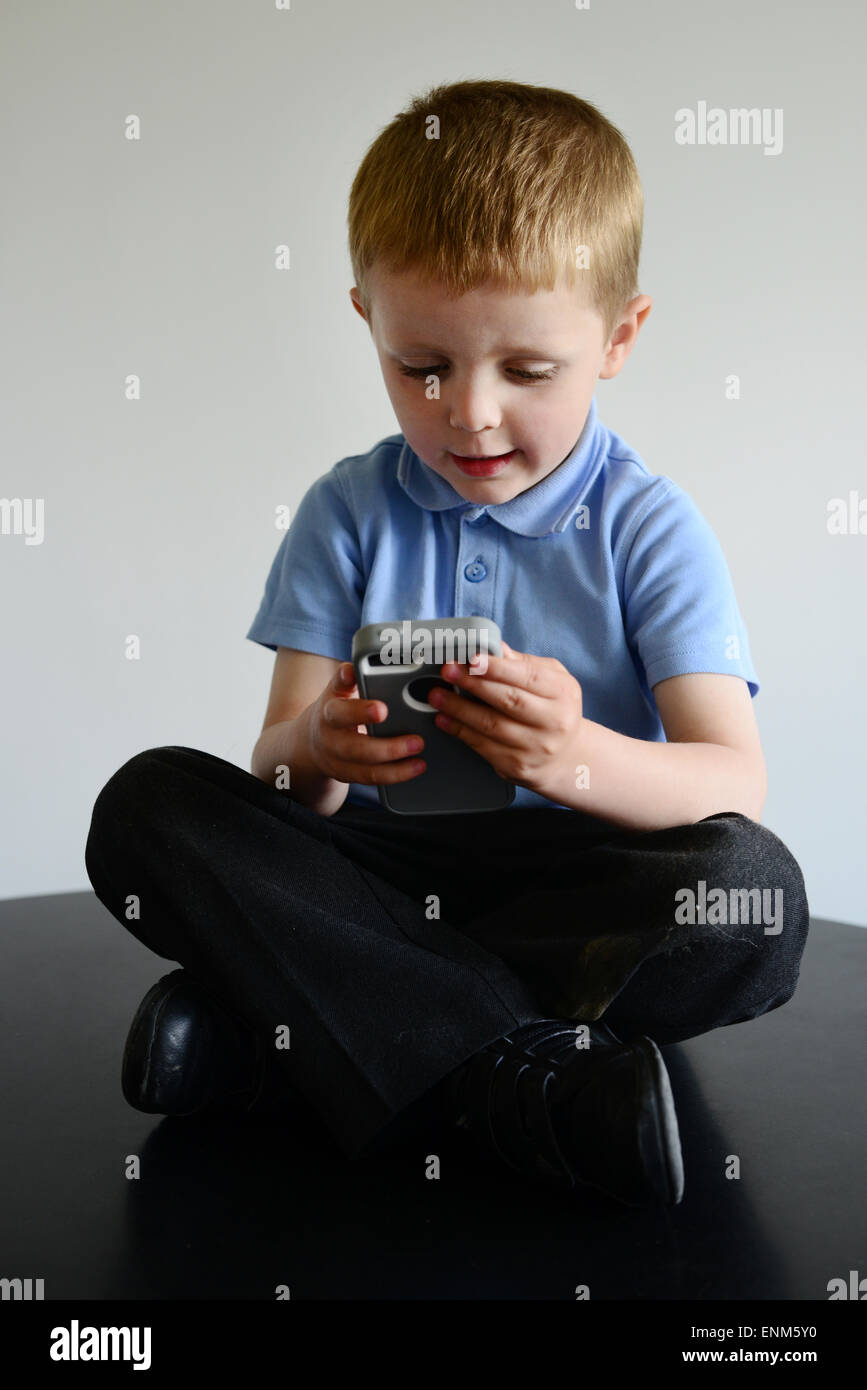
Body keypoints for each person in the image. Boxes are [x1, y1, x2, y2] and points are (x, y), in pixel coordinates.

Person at [84, 79, 809, 1208]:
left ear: (620, 338)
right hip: (376, 874)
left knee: (752, 896)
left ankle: (302, 1046)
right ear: (366, 317)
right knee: (147, 805)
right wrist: (320, 749)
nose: (468, 413)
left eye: (525, 371)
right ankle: (524, 1074)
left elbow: (733, 782)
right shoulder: (346, 511)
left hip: (569, 878)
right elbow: (279, 783)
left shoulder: (648, 524)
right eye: (422, 366)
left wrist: (567, 755)